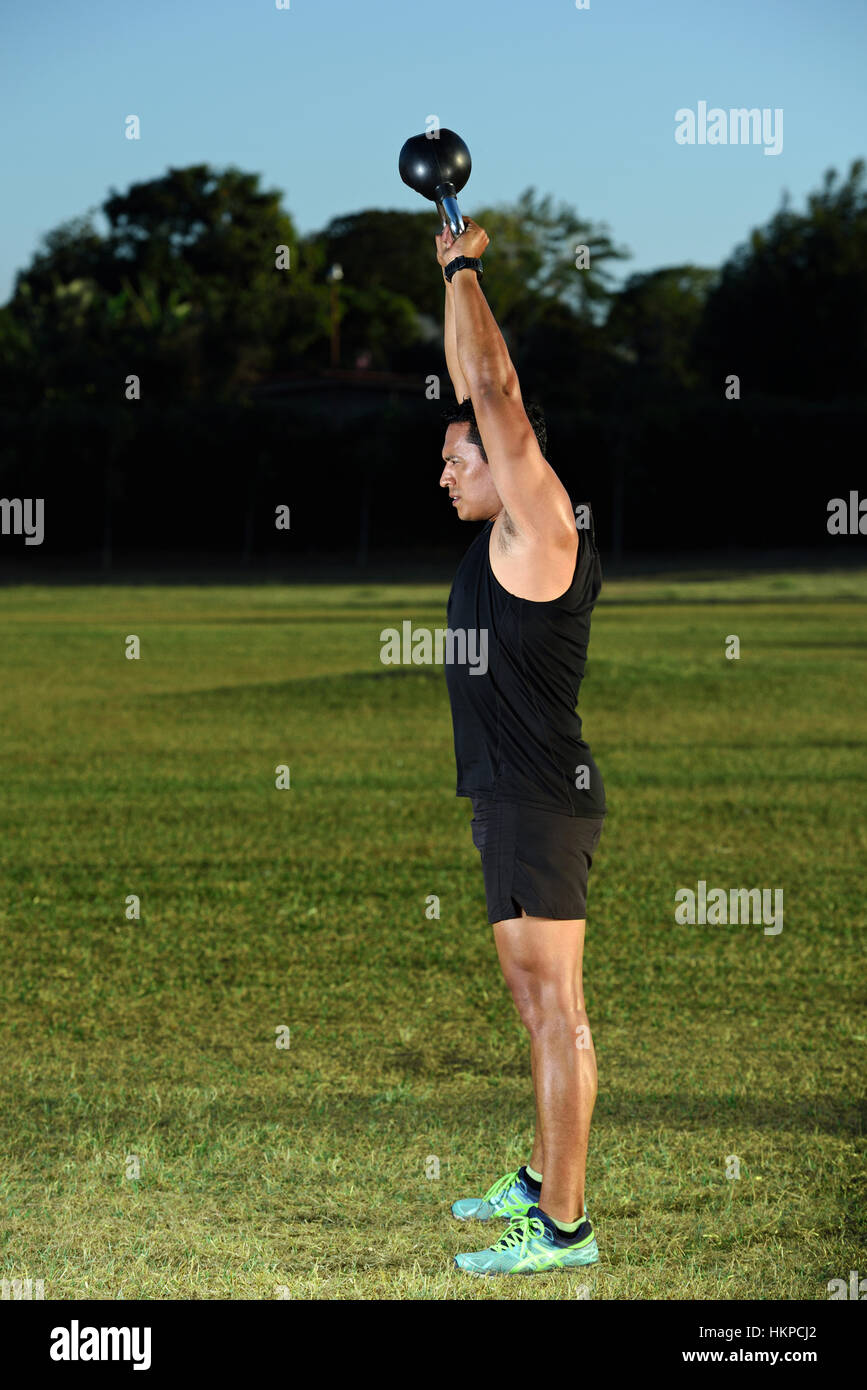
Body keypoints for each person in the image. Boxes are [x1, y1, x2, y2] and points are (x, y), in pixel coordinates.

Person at [437, 217, 607, 1275]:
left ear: (505, 461)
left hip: (539, 798)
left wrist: (469, 271)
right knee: (535, 1003)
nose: (446, 476)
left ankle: (564, 1228)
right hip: (518, 795)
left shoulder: (537, 521)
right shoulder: (506, 526)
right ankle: (545, 1182)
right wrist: (448, 270)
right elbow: (472, 381)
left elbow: (494, 395)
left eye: (458, 463)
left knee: (555, 1013)